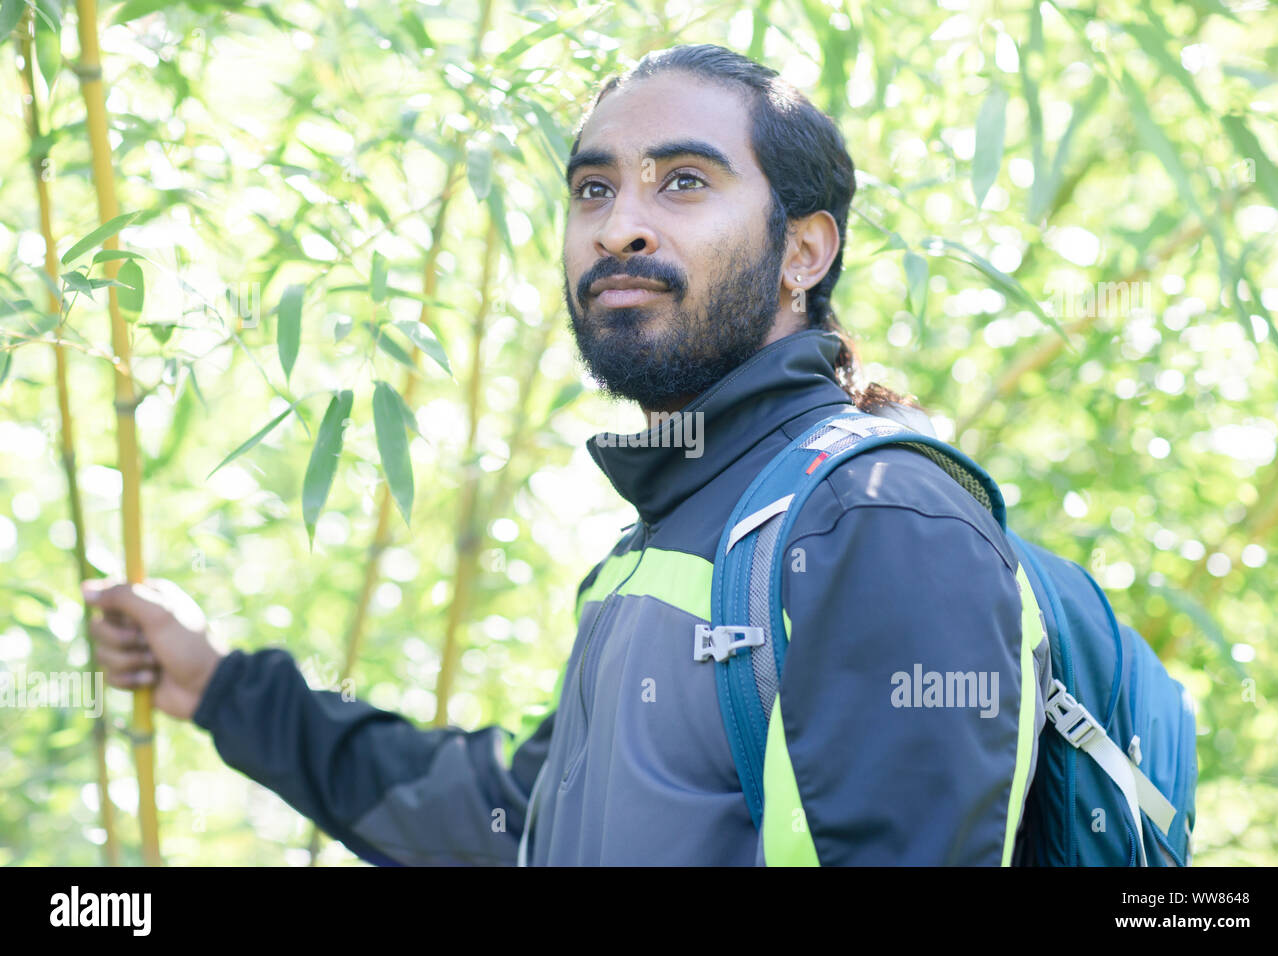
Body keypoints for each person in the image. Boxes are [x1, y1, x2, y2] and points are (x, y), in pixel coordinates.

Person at [83, 44, 1050, 866]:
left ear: (803, 252)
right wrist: (220, 687)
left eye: (683, 181)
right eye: (595, 187)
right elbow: (513, 822)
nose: (618, 224)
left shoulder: (877, 517)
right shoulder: (672, 532)